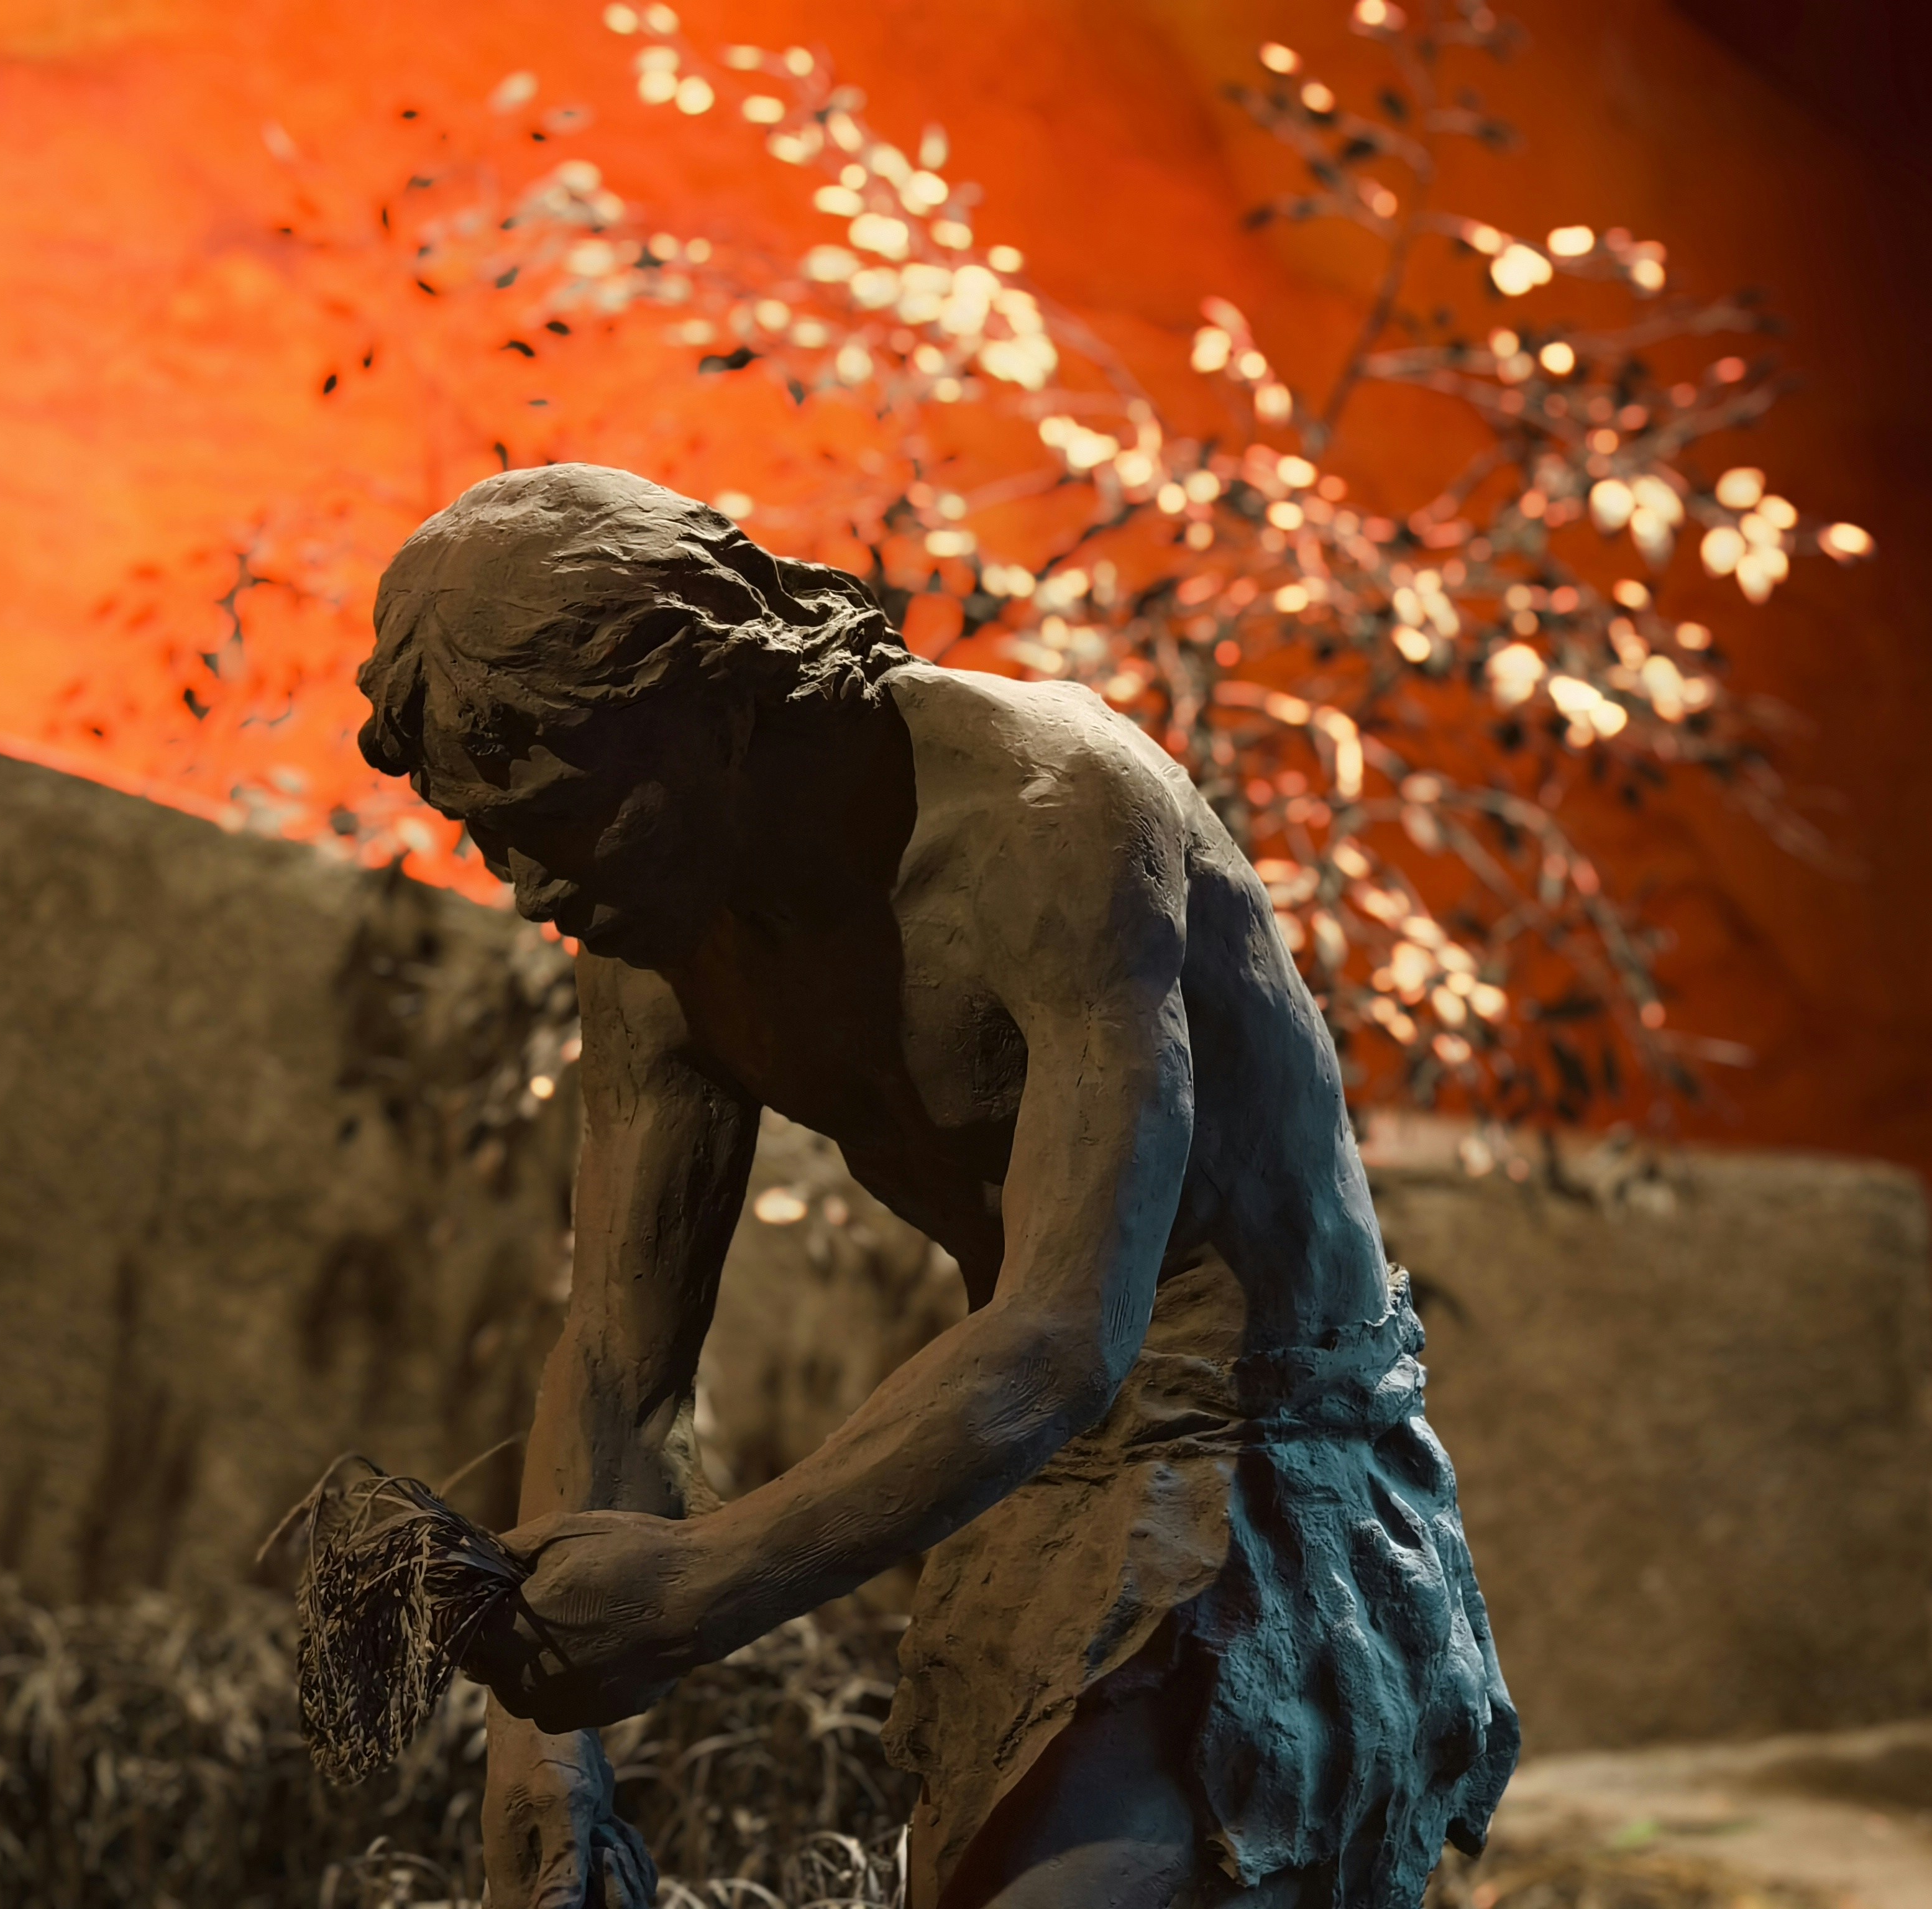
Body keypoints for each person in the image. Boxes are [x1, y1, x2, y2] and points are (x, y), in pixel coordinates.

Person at [355, 463, 1518, 1909]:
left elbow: (1061, 1332)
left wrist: (703, 1586)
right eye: (486, 838)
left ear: (717, 714)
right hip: (1027, 1462)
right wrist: (546, 1756)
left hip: (1261, 1460)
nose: (527, 889)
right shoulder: (658, 937)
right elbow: (617, 1361)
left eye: (560, 821)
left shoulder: (1053, 812)